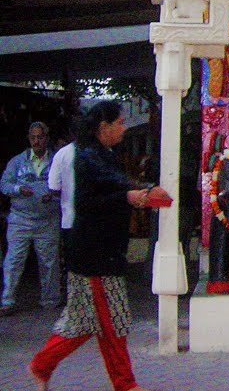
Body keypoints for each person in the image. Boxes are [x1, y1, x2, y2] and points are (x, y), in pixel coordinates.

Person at [28, 100, 168, 391]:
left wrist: (140, 191)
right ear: (103, 127)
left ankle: (44, 365)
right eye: (119, 122)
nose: (123, 127)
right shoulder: (85, 156)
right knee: (106, 321)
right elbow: (89, 202)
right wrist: (132, 196)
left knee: (94, 322)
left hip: (98, 250)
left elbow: (115, 183)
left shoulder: (102, 153)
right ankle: (123, 383)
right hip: (93, 253)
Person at [1, 122, 61, 315]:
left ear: (47, 138)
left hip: (47, 219)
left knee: (49, 262)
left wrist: (53, 195)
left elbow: (67, 187)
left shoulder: (56, 161)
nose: (37, 141)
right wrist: (19, 189)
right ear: (29, 139)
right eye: (33, 137)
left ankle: (50, 299)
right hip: (20, 219)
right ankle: (7, 300)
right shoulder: (17, 162)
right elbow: (4, 184)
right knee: (14, 260)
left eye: (40, 137)